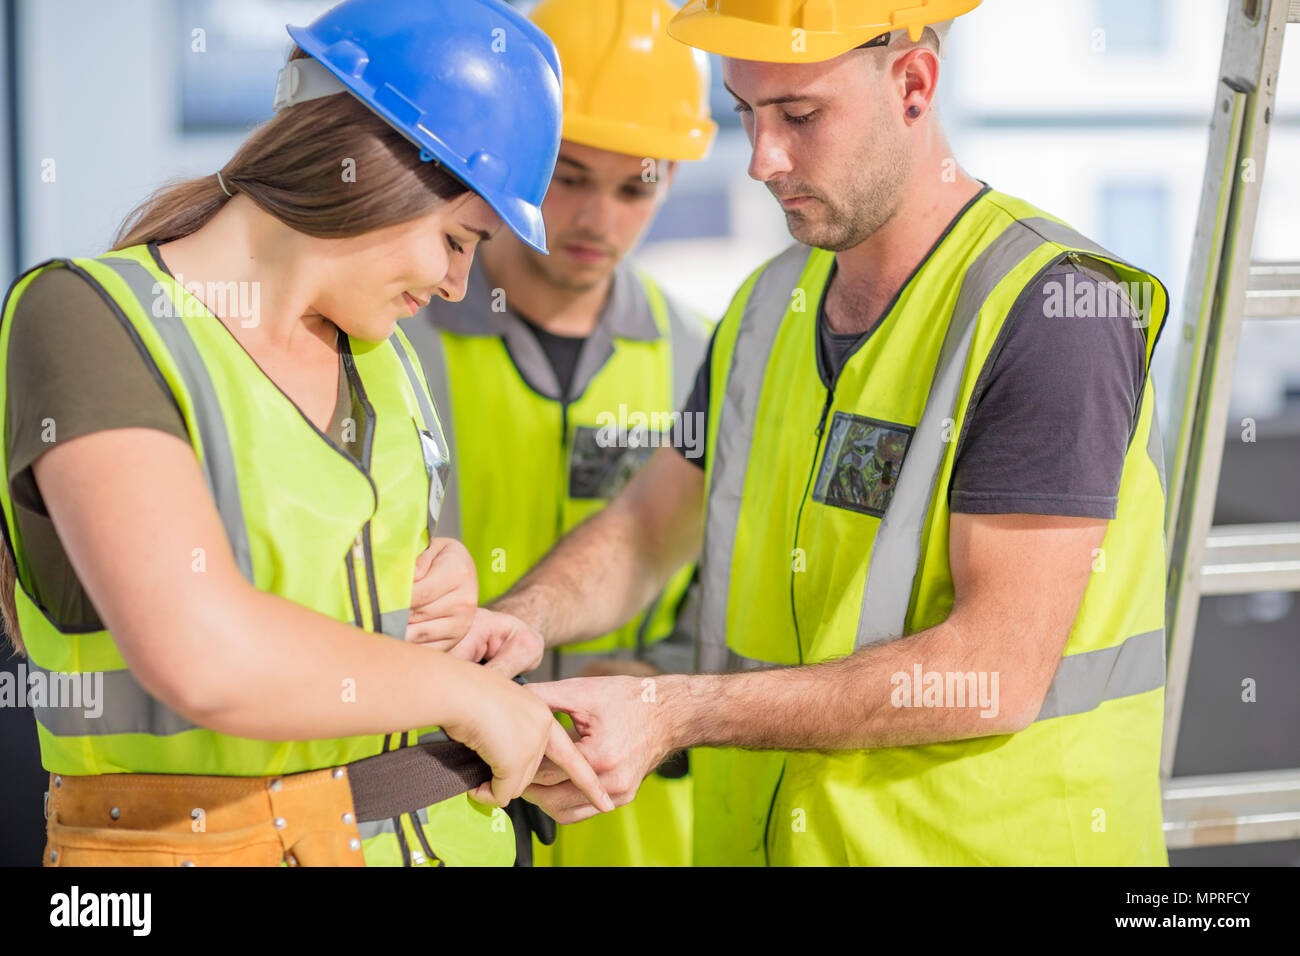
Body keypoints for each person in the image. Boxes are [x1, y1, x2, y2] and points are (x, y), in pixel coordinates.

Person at [465, 0, 1173, 865]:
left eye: (800, 115)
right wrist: (522, 619)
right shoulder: (767, 308)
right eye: (746, 114)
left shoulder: (1057, 310)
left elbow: (994, 670)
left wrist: (678, 713)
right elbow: (651, 527)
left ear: (913, 84)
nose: (763, 159)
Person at [0, 0, 609, 869]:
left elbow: (341, 622)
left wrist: (448, 617)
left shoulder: (386, 357)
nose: (455, 284)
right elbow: (198, 652)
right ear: (374, 167)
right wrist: (468, 699)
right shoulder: (85, 319)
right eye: (456, 240)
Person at [401, 0, 715, 868]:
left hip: (634, 824)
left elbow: (732, 592)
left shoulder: (705, 355)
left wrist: (655, 691)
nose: (597, 220)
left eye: (636, 186)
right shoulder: (391, 340)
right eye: (569, 176)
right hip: (435, 805)